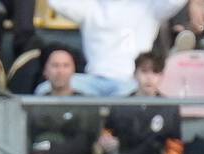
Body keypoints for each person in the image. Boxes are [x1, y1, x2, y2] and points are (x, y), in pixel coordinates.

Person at [45, 0, 187, 96]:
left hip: (130, 82)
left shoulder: (150, 6)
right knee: (43, 90)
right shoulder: (89, 6)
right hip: (92, 81)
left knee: (137, 94)